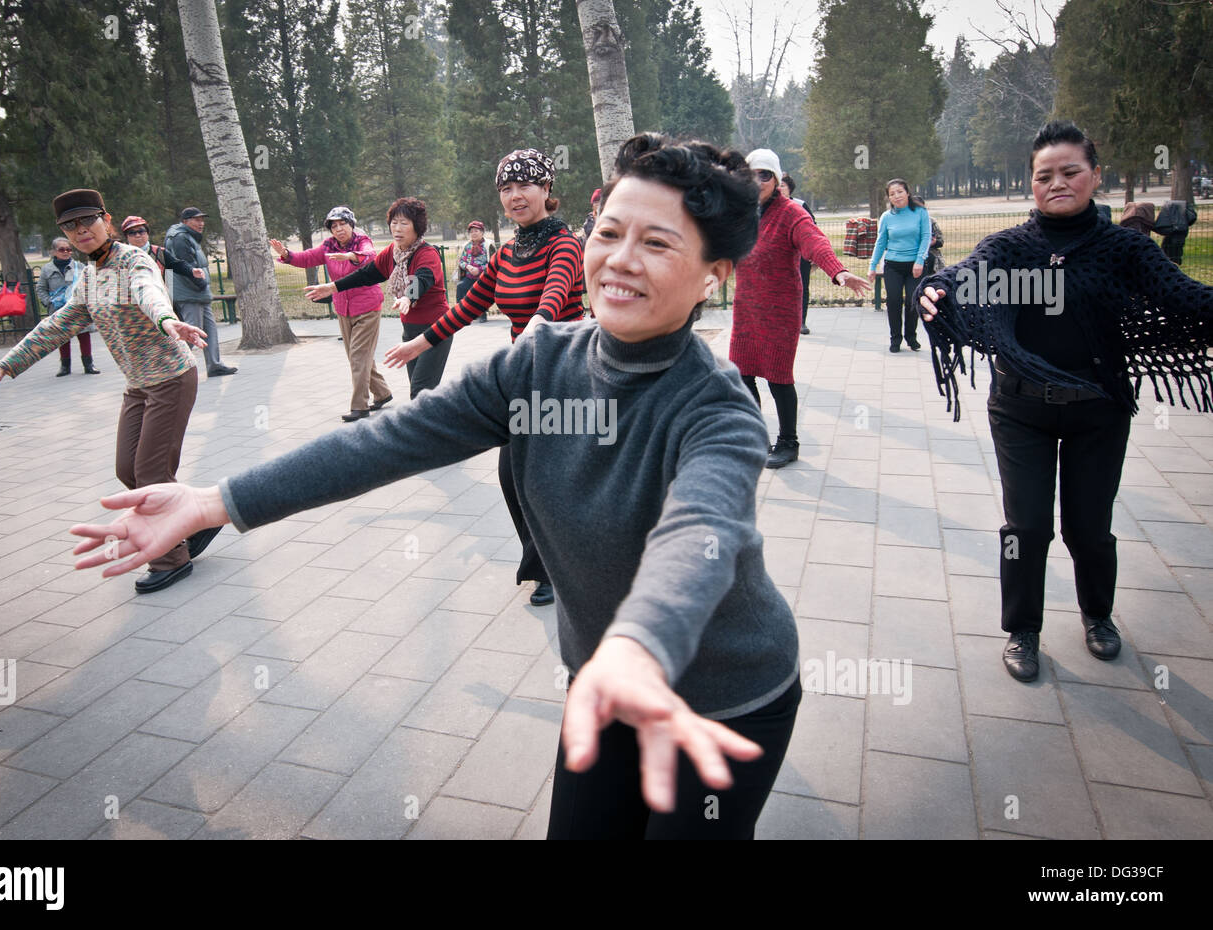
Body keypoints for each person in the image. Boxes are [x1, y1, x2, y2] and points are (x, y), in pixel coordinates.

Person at [68, 133, 802, 840]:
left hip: (725, 699)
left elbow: (701, 534)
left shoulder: (718, 406)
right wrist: (214, 502)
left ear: (716, 275)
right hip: (603, 680)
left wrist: (639, 644)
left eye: (659, 243)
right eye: (610, 232)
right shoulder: (538, 365)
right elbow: (389, 438)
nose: (619, 261)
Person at [917, 120, 1213, 682]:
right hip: (1020, 409)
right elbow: (962, 275)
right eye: (1044, 175)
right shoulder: (1010, 247)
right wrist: (932, 290)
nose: (1057, 183)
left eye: (1070, 172)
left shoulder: (1123, 247)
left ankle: (1097, 616)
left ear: (1095, 177)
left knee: (1089, 528)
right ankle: (1022, 630)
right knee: (1023, 529)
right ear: (1032, 184)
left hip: (1097, 412)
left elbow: (1185, 297)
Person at [0, 188, 213, 594]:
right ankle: (197, 517)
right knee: (127, 470)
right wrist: (4, 366)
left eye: (88, 221)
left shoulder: (134, 260)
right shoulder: (90, 277)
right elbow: (58, 324)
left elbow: (147, 291)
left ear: (107, 220)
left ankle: (171, 555)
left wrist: (169, 320)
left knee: (150, 473)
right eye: (70, 226)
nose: (81, 231)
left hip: (170, 377)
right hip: (138, 386)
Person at [383, 148, 585, 607]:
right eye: (506, 188)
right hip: (525, 373)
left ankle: (570, 562)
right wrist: (419, 343)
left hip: (566, 374)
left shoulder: (566, 244)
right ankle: (548, 565)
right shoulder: (509, 250)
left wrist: (534, 330)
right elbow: (469, 305)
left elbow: (551, 301)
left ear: (546, 189)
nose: (515, 196)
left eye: (525, 186)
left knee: (551, 479)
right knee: (513, 476)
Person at [731, 148, 870, 469]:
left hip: (780, 310)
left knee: (778, 377)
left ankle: (788, 442)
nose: (759, 181)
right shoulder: (742, 212)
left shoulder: (791, 213)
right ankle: (756, 435)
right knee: (742, 374)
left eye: (765, 175)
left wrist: (838, 270)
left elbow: (814, 241)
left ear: (777, 179)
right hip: (746, 308)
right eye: (752, 174)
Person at [304, 197, 451, 404]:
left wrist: (408, 298)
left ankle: (428, 432)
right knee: (420, 392)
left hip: (436, 330)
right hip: (410, 329)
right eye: (394, 222)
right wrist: (331, 287)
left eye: (404, 223)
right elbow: (366, 274)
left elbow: (423, 278)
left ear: (416, 227)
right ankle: (436, 427)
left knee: (421, 391)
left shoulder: (427, 253)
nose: (397, 228)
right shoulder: (393, 252)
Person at [272, 207, 391, 421]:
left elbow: (370, 256)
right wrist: (286, 254)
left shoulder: (362, 241)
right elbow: (307, 258)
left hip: (367, 307)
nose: (338, 229)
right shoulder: (329, 246)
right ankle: (382, 393)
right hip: (343, 309)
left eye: (342, 223)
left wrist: (350, 256)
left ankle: (359, 406)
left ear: (351, 224)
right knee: (358, 357)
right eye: (333, 226)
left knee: (358, 357)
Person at [165, 207, 237, 377]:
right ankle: (174, 368)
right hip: (190, 293)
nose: (201, 223)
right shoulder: (180, 238)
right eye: (196, 220)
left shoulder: (188, 236)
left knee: (209, 329)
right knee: (190, 332)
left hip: (198, 292)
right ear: (185, 221)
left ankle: (214, 365)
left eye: (202, 220)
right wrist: (201, 283)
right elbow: (186, 266)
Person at [868, 178, 931, 353]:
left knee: (912, 301)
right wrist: (872, 266)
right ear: (889, 198)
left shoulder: (920, 212)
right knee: (893, 301)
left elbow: (926, 237)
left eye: (900, 192)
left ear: (907, 192)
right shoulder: (887, 217)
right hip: (893, 266)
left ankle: (911, 337)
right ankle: (895, 338)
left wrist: (920, 261)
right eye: (892, 194)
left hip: (915, 267)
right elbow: (881, 243)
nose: (897, 196)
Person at [34, 237, 99, 376]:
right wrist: (48, 302)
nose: (66, 252)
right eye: (62, 249)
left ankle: (89, 364)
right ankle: (65, 366)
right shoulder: (47, 269)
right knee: (62, 337)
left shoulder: (79, 266)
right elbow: (40, 288)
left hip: (77, 307)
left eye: (68, 249)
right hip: (58, 309)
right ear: (53, 251)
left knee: (84, 335)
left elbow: (89, 285)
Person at [121, 216, 206, 291]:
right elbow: (122, 288)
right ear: (126, 236)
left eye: (141, 231)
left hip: (158, 300)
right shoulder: (122, 256)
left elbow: (177, 264)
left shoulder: (160, 252)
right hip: (132, 303)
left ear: (147, 233)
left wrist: (192, 270)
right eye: (132, 233)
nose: (138, 235)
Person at [780, 174, 815, 335]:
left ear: (790, 188)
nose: (779, 188)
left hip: (800, 255)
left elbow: (813, 232)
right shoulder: (767, 206)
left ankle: (801, 321)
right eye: (777, 185)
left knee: (801, 287)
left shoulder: (800, 205)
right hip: (779, 256)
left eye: (783, 186)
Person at [455, 220, 491, 321]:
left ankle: (482, 314)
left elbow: (493, 262)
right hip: (469, 275)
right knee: (461, 286)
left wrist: (479, 269)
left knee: (480, 289)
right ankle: (460, 314)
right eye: (471, 231)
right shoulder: (467, 246)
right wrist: (468, 267)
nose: (473, 233)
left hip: (484, 276)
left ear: (482, 232)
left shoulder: (488, 245)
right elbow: (461, 261)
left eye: (476, 231)